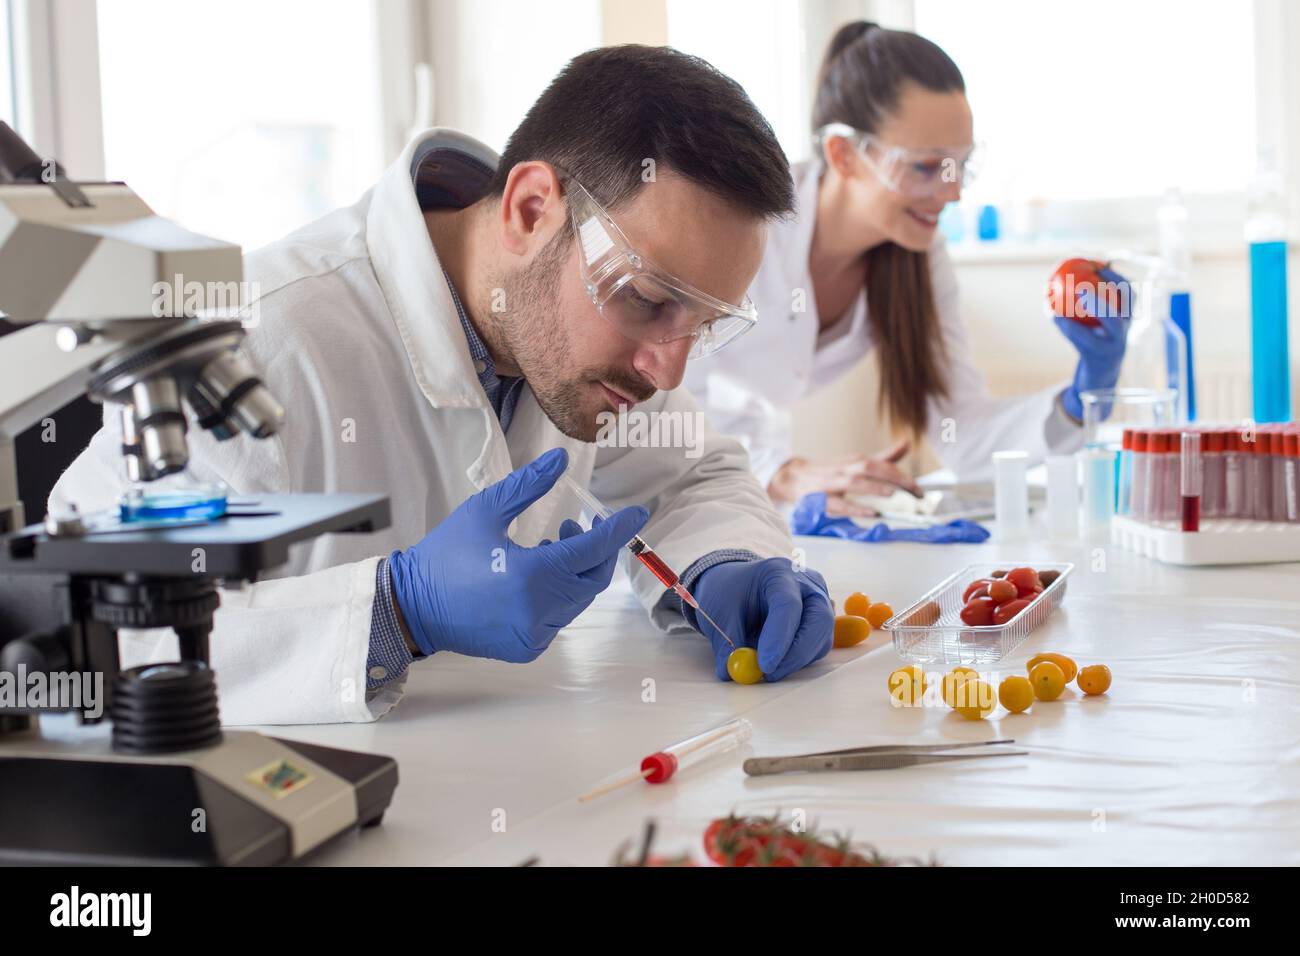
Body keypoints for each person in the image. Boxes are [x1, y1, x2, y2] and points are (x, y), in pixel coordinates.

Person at [52, 46, 835, 724]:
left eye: (702, 325)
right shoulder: (258, 340)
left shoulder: (595, 339)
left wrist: (722, 563)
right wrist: (394, 611)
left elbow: (694, 473)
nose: (669, 368)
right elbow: (95, 633)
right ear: (531, 210)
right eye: (648, 300)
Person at [684, 22, 1131, 517]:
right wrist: (780, 472)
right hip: (655, 485)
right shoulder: (748, 223)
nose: (954, 192)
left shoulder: (917, 257)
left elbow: (963, 431)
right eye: (926, 167)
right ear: (844, 154)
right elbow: (667, 396)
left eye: (962, 165)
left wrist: (1084, 393)